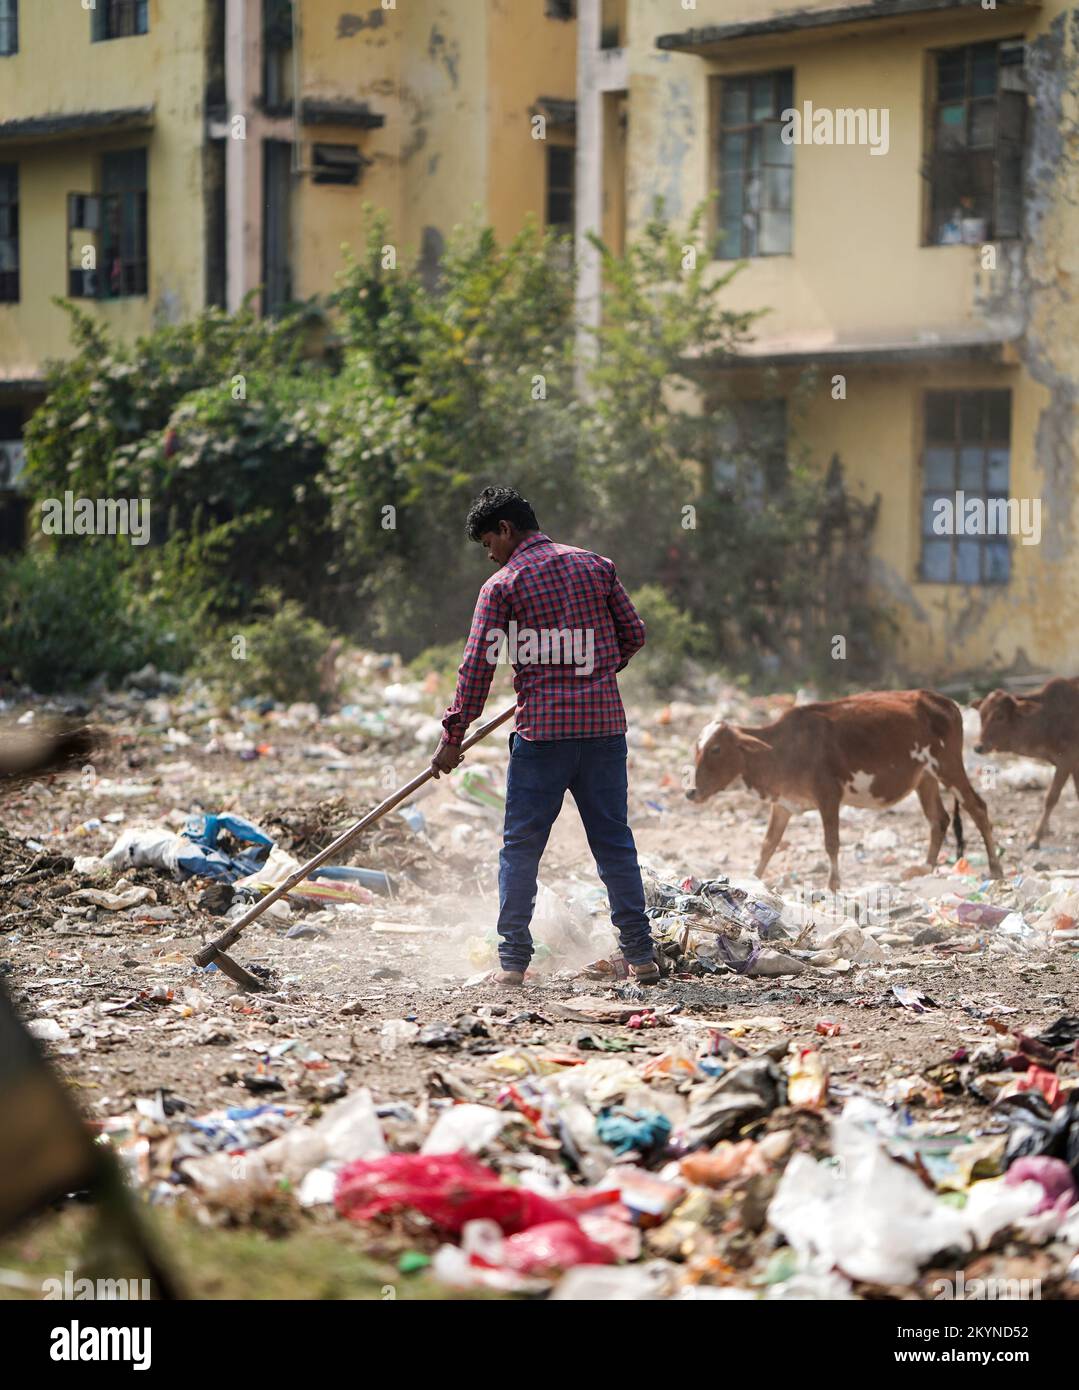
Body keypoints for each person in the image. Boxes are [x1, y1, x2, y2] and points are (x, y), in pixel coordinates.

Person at [430, 486, 658, 987]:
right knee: (614, 843)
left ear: (507, 530)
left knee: (521, 849)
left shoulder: (503, 585)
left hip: (542, 738)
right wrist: (597, 668)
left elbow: (478, 665)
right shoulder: (597, 565)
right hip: (603, 731)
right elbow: (634, 633)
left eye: (488, 542)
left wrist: (454, 734)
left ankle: (512, 963)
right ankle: (641, 956)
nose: (488, 554)